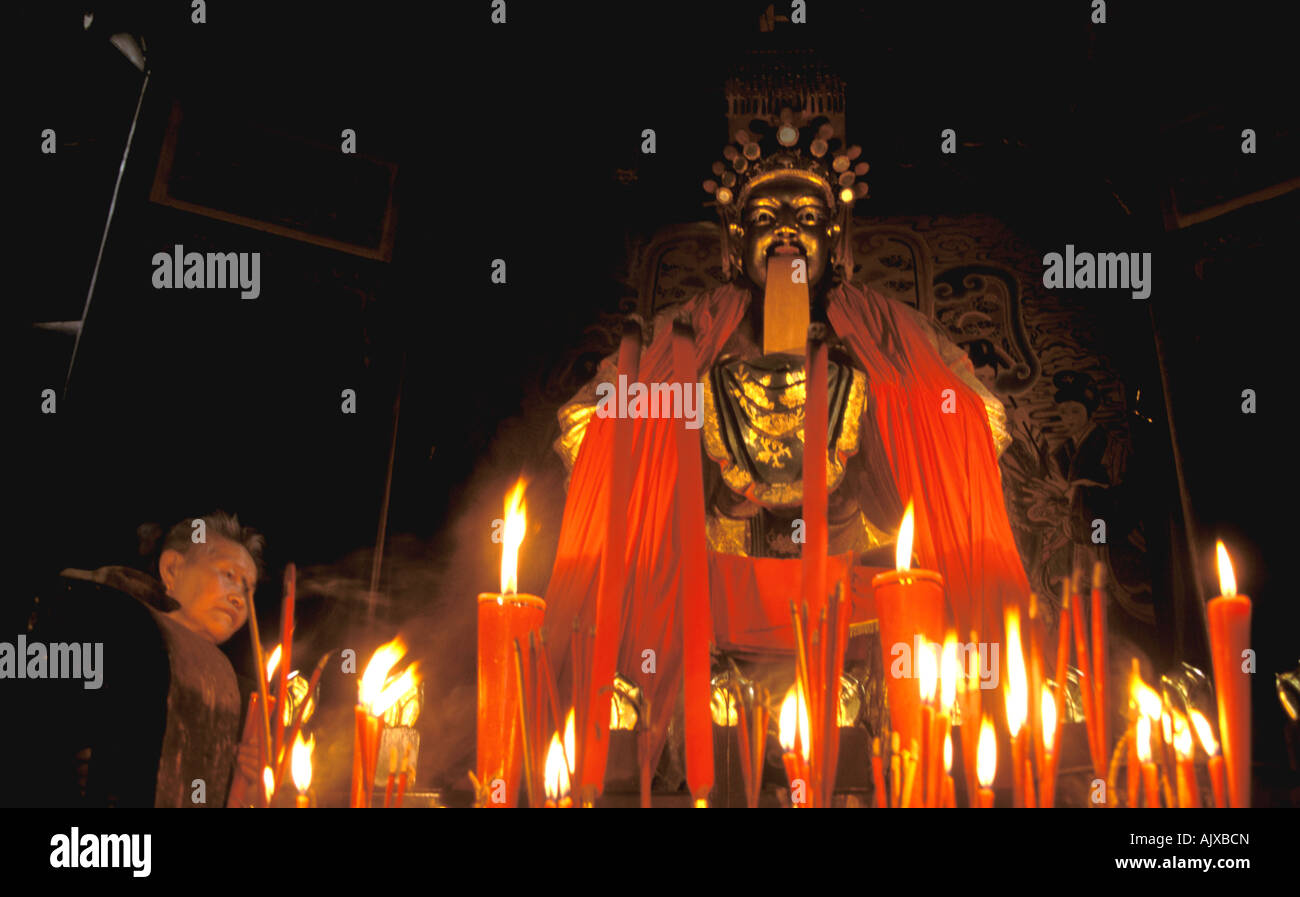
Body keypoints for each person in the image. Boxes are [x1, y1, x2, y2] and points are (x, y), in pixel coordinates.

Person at [543, 100, 1032, 802]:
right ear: (733, 238)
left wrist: (870, 388)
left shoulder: (882, 334)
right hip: (717, 593)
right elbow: (613, 424)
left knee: (870, 735)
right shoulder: (692, 334)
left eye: (806, 218)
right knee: (709, 734)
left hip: (851, 594)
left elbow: (950, 421)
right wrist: (692, 399)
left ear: (837, 237)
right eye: (765, 218)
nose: (785, 234)